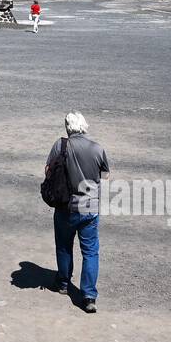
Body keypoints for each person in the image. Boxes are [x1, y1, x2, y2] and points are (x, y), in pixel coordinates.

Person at [45, 112, 110, 313]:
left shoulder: (60, 145)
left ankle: (63, 283)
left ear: (68, 127)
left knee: (64, 246)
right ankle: (89, 296)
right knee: (90, 252)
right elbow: (105, 175)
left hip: (65, 205)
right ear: (84, 126)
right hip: (89, 207)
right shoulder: (97, 149)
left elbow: (48, 170)